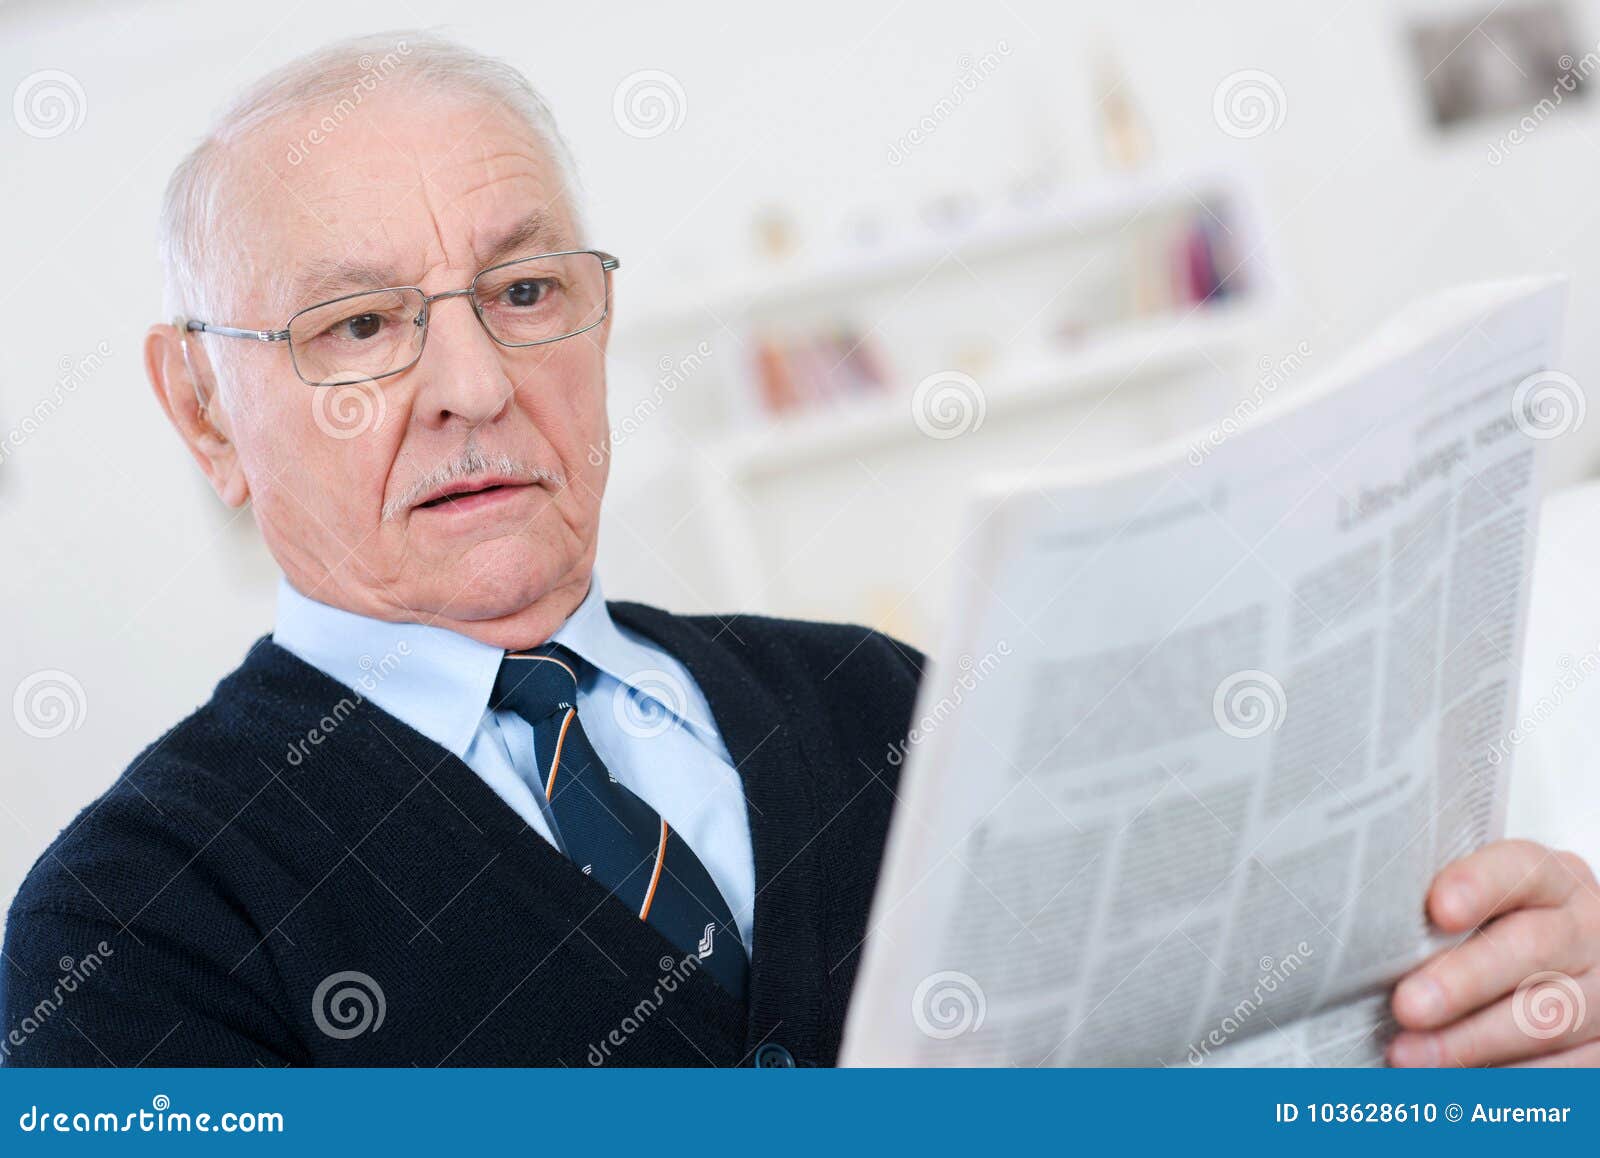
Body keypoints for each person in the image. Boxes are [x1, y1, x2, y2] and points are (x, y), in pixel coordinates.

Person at [2, 33, 1596, 1068]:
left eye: (529, 292)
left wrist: (1466, 1024)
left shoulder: (898, 704)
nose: (476, 386)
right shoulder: (128, 927)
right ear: (204, 409)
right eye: (360, 326)